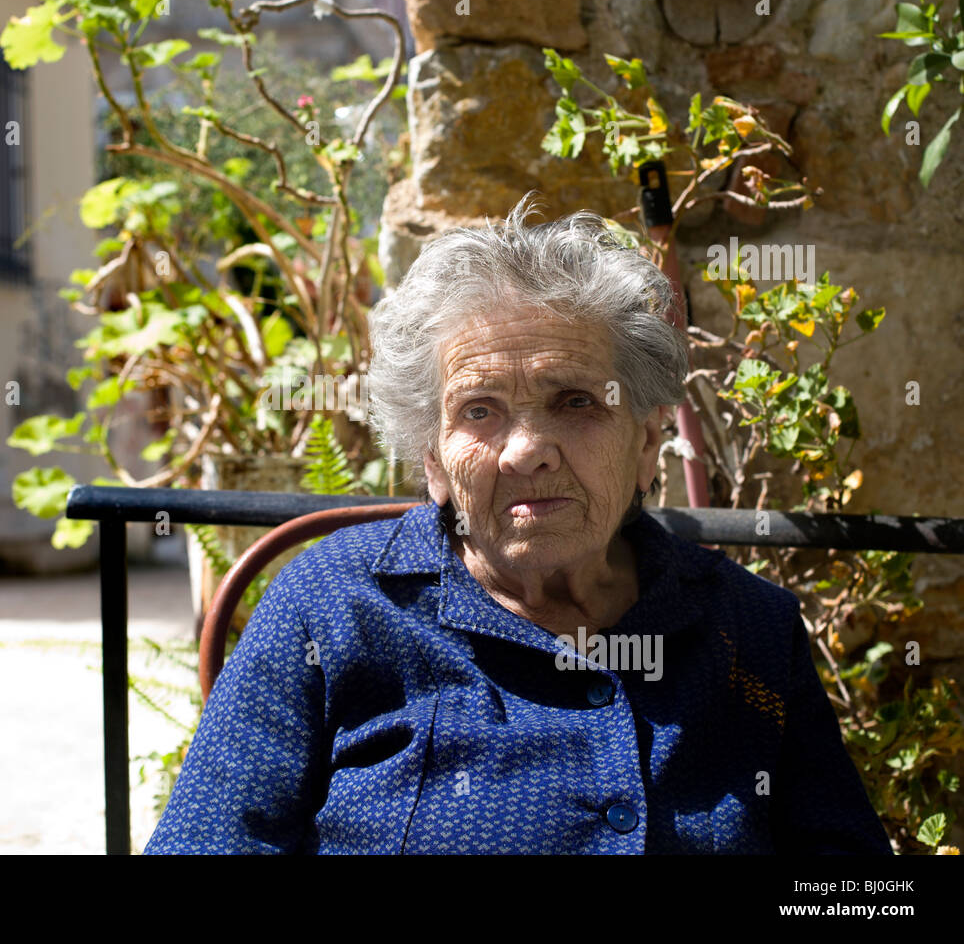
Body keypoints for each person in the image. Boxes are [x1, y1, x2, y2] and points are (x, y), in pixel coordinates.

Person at [142, 195, 891, 854]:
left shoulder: (749, 630)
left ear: (646, 438)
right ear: (432, 457)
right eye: (480, 409)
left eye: (575, 400)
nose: (529, 449)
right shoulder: (331, 606)